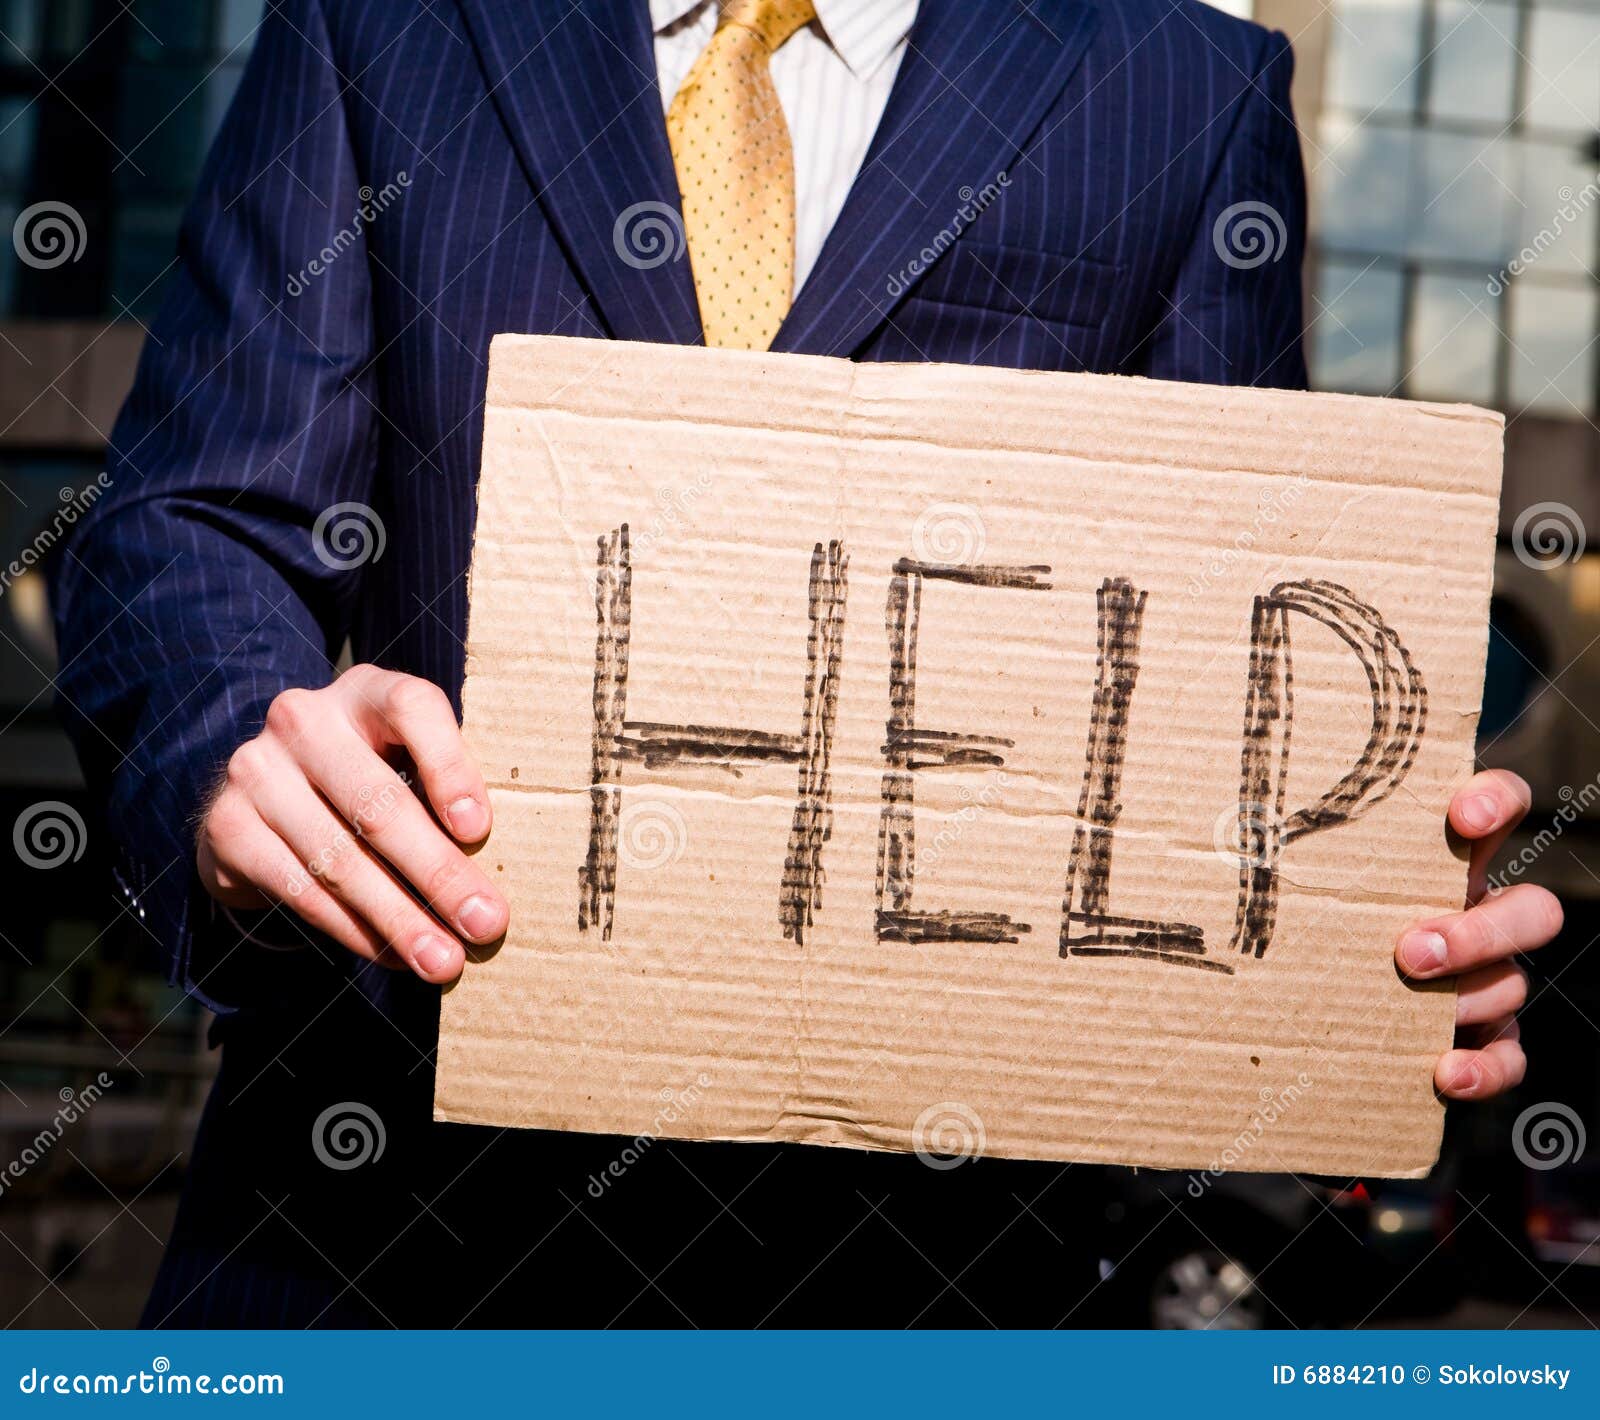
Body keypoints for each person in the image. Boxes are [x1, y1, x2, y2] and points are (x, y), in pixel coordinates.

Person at [52, 0, 1559, 1328]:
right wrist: (230, 743)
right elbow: (191, 516)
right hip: (373, 1234)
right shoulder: (389, 20)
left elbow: (1216, 681)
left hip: (933, 1284)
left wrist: (1352, 948)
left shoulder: (1184, 90)